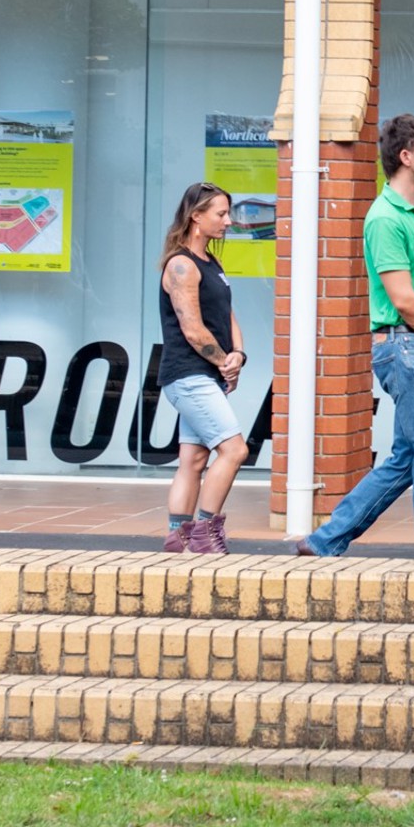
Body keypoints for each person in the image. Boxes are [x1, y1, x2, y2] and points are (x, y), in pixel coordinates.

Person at [296, 115, 414, 560]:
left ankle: (325, 540)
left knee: (405, 459)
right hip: (404, 347)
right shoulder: (385, 218)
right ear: (406, 157)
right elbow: (404, 299)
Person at [156, 181, 250, 553]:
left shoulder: (211, 263)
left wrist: (238, 354)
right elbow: (193, 329)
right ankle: (205, 533)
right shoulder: (181, 265)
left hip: (205, 374)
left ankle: (178, 537)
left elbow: (225, 315)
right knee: (234, 450)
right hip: (188, 375)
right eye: (221, 214)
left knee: (193, 459)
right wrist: (223, 362)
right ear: (196, 217)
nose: (228, 221)